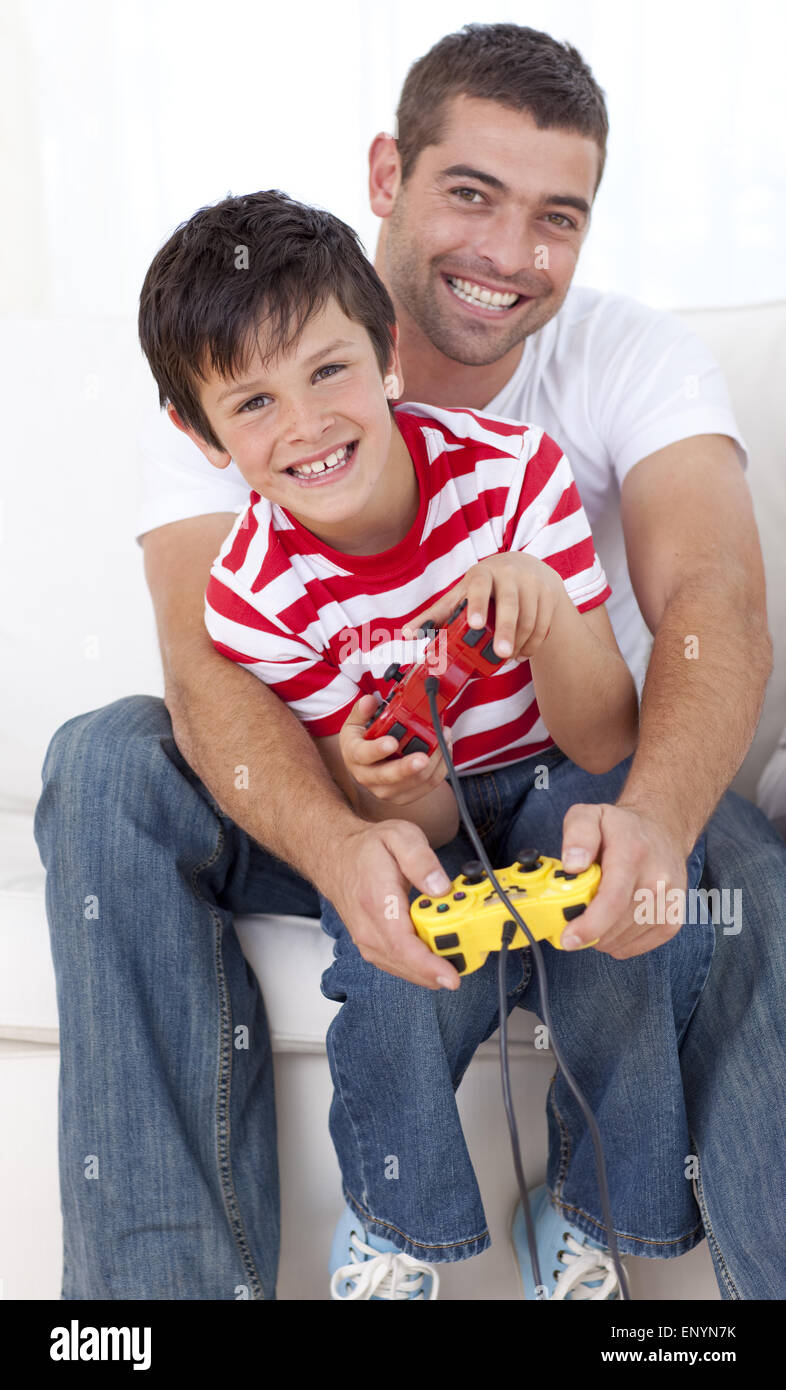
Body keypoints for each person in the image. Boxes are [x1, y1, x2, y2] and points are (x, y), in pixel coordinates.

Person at [34, 22, 785, 1302]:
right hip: (340, 785)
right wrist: (350, 834)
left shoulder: (616, 373)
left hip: (565, 774)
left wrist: (650, 818)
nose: (507, 254)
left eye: (558, 214)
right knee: (104, 756)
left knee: (738, 862)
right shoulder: (238, 353)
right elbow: (216, 676)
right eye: (471, 194)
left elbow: (713, 606)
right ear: (387, 173)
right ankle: (155, 1310)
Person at [136, 186, 706, 1300]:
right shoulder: (253, 595)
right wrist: (382, 784)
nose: (304, 425)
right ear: (202, 437)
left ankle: (585, 1210)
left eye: (328, 370)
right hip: (430, 813)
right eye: (252, 402)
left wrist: (544, 610)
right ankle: (400, 1227)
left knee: (637, 943)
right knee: (385, 966)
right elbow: (424, 829)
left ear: (389, 351)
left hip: (558, 772)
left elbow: (606, 737)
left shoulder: (516, 477)